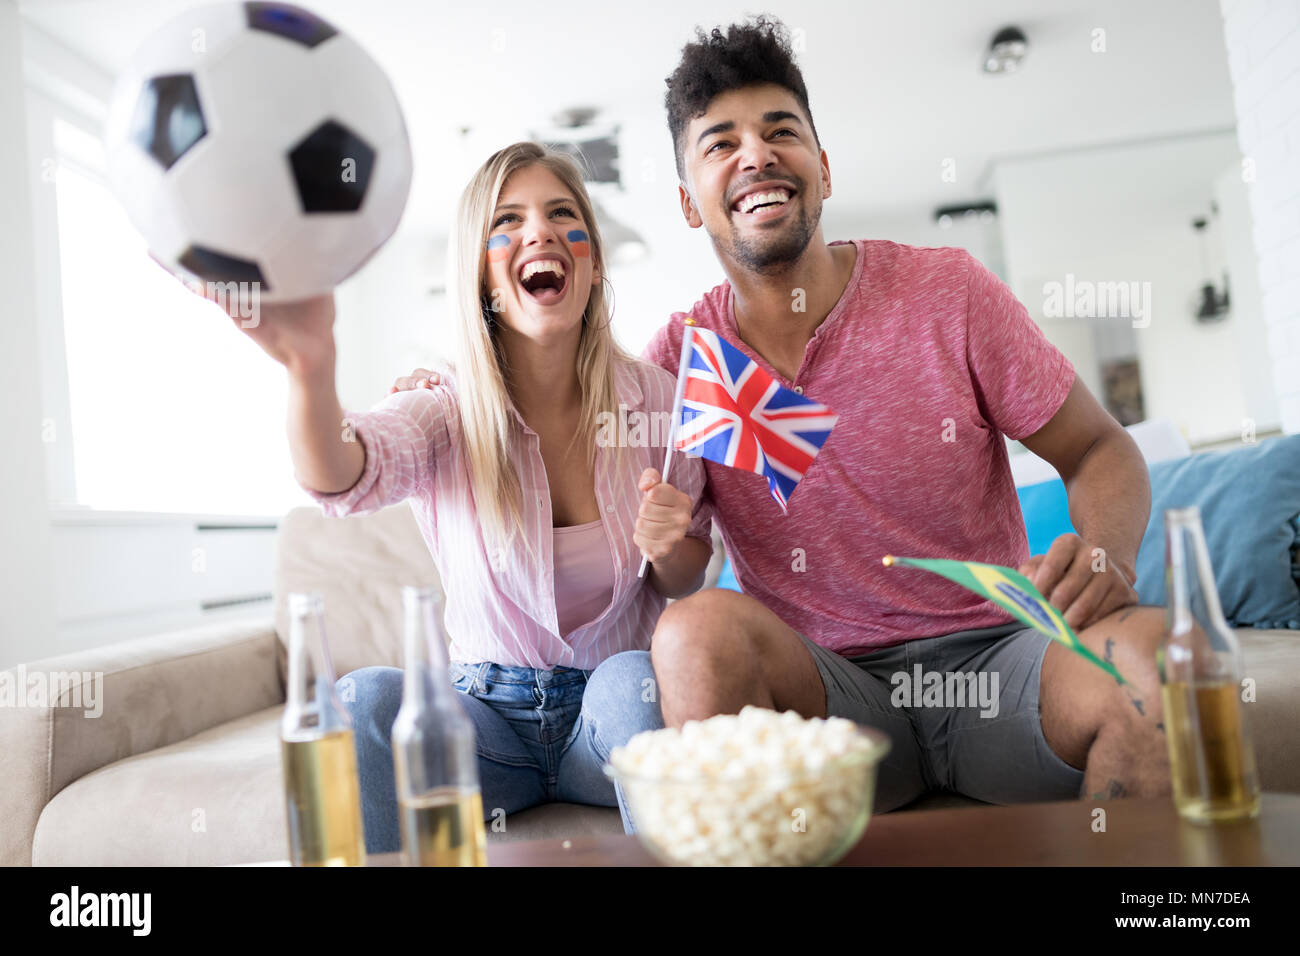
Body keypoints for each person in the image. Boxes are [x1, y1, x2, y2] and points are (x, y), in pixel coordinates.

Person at [397, 18, 1171, 813]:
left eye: (779, 132)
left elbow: (1099, 450)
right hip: (822, 693)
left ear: (824, 169)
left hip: (999, 661)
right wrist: (453, 389)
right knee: (692, 635)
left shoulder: (950, 294)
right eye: (720, 144)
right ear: (689, 204)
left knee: (1155, 664)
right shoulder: (679, 364)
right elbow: (578, 419)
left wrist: (1109, 558)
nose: (755, 155)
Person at [214, 141, 711, 851]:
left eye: (562, 214)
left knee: (635, 678)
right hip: (482, 728)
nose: (538, 232)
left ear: (593, 261)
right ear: (479, 272)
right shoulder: (444, 408)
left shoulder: (661, 404)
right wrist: (309, 367)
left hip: (609, 717)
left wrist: (670, 548)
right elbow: (341, 474)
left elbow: (686, 575)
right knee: (362, 700)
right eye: (506, 221)